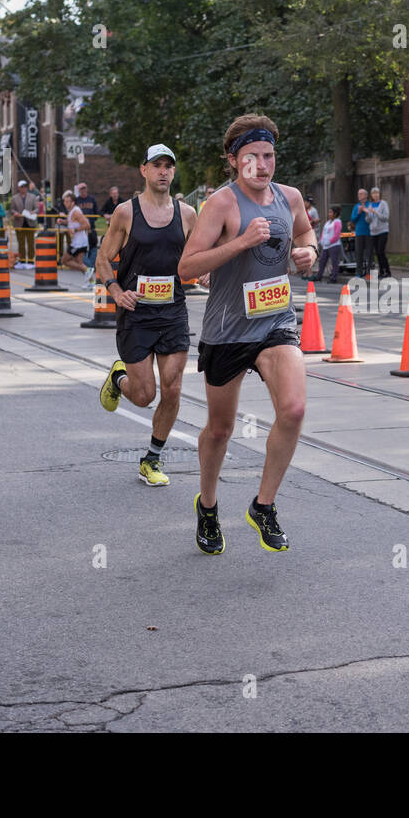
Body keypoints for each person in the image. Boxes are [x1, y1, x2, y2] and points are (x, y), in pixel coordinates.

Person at [177, 114, 318, 555]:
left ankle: (263, 505)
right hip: (227, 330)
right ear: (234, 161)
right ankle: (208, 505)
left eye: (269, 156)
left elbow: (307, 231)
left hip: (276, 320)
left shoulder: (290, 197)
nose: (262, 164)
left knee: (293, 410)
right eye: (251, 157)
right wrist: (239, 243)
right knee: (220, 430)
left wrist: (308, 251)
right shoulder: (221, 205)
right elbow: (187, 267)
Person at [97, 144, 201, 490]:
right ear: (143, 170)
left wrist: (207, 273)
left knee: (172, 389)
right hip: (136, 313)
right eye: (156, 165)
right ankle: (119, 379)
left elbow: (196, 259)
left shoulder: (187, 214)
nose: (163, 172)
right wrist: (115, 290)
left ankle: (151, 459)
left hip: (172, 311)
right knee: (144, 396)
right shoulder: (126, 213)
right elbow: (102, 259)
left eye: (169, 166)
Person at [59, 190, 92, 277]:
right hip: (79, 241)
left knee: (64, 261)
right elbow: (72, 222)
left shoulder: (76, 212)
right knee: (79, 262)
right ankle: (90, 282)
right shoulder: (72, 211)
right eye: (64, 201)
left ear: (73, 202)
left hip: (78, 243)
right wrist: (63, 221)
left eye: (67, 201)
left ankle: (87, 270)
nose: (65, 203)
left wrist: (75, 230)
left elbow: (87, 225)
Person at [11, 181, 40, 268]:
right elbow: (12, 209)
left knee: (31, 243)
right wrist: (15, 213)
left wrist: (32, 212)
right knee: (21, 243)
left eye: (25, 186)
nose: (23, 188)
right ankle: (22, 260)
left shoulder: (32, 197)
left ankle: (31, 260)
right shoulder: (14, 198)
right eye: (21, 186)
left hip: (30, 223)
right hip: (19, 223)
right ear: (18, 188)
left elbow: (37, 208)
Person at [366, 185, 391, 278]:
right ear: (371, 195)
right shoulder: (370, 205)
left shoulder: (383, 204)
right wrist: (368, 214)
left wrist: (376, 212)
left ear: (379, 194)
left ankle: (387, 271)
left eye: (377, 193)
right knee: (377, 252)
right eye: (373, 193)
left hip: (383, 230)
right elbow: (368, 220)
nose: (375, 195)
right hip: (373, 232)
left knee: (381, 251)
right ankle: (381, 271)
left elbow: (385, 217)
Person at [74, 182, 99, 276]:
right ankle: (88, 266)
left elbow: (97, 212)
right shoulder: (77, 201)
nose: (83, 190)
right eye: (81, 189)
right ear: (79, 191)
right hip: (81, 229)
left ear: (86, 189)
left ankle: (90, 266)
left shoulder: (92, 199)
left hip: (91, 228)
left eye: (84, 188)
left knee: (93, 246)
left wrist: (92, 220)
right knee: (82, 248)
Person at [313, 205, 343, 283]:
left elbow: (336, 234)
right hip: (326, 246)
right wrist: (321, 240)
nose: (329, 214)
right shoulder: (328, 222)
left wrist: (330, 241)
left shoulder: (337, 222)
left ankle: (334, 278)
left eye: (330, 212)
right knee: (322, 261)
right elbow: (324, 233)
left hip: (334, 245)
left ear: (335, 214)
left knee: (334, 262)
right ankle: (319, 276)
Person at [350, 187, 373, 278]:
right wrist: (359, 212)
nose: (359, 195)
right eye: (358, 194)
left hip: (369, 232)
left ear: (366, 195)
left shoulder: (370, 205)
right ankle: (359, 272)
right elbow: (353, 220)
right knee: (359, 253)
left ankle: (369, 273)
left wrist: (366, 211)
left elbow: (373, 217)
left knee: (369, 253)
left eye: (361, 194)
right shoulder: (356, 206)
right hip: (359, 232)